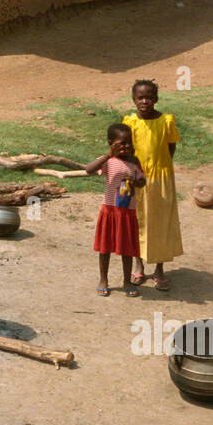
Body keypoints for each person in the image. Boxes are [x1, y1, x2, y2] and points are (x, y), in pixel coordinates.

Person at [122, 79, 183, 290]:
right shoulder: (130, 123)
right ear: (134, 100)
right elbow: (126, 152)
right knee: (137, 222)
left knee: (161, 223)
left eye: (149, 97)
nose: (145, 101)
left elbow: (170, 149)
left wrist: (160, 171)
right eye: (141, 98)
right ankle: (138, 264)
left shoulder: (166, 121)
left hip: (161, 180)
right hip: (137, 180)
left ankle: (159, 268)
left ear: (156, 99)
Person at [84, 123, 145, 297]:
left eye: (129, 143)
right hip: (110, 211)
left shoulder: (134, 161)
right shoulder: (109, 161)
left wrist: (136, 181)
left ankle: (126, 281)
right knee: (105, 248)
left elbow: (143, 181)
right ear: (111, 143)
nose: (126, 147)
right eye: (121, 144)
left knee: (127, 249)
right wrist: (108, 155)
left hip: (127, 212)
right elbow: (88, 169)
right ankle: (103, 279)